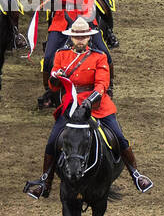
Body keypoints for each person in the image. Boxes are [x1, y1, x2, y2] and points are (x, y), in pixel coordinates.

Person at [25, 17, 150, 198]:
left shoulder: (99, 57)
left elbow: (102, 84)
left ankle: (136, 174)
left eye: (84, 37)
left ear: (89, 38)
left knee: (119, 137)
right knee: (53, 141)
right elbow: (53, 85)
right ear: (72, 38)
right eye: (77, 37)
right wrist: (55, 77)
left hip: (97, 106)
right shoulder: (61, 55)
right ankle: (46, 181)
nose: (81, 40)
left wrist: (89, 102)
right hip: (70, 106)